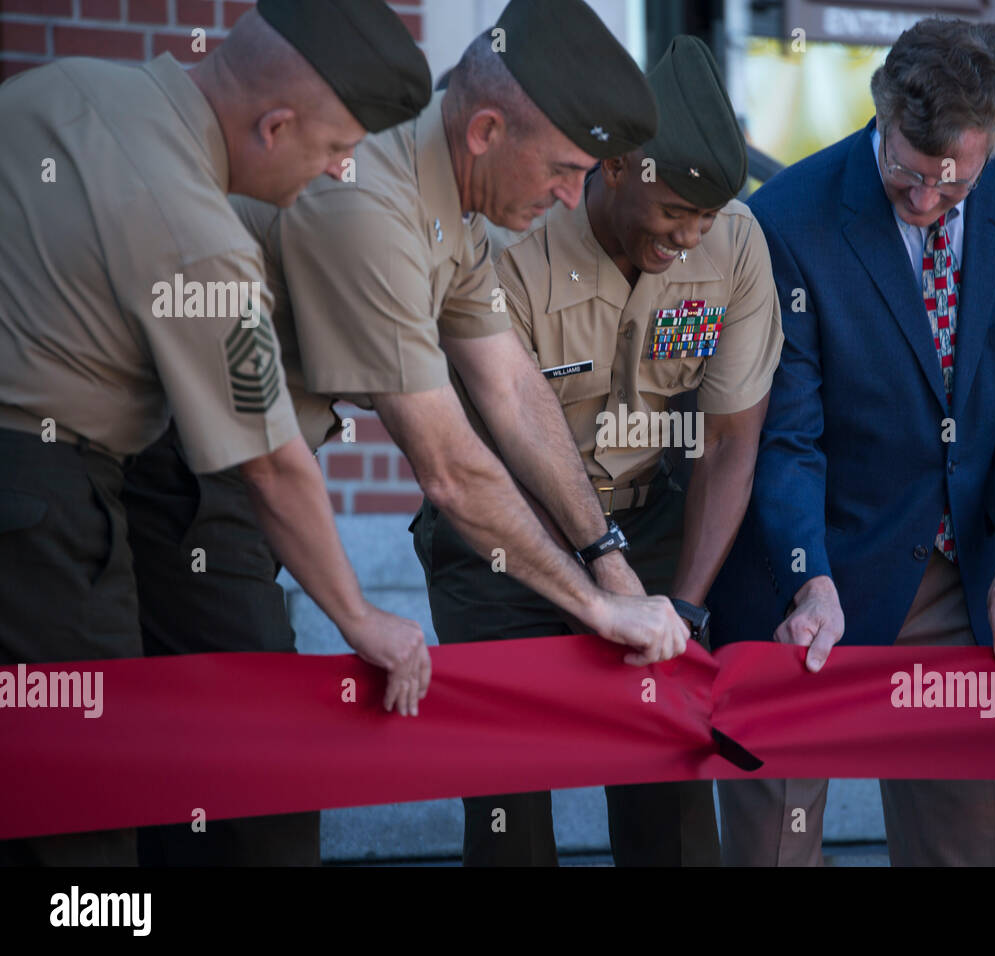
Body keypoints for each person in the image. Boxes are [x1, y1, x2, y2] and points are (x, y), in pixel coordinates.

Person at [124, 0, 690, 863]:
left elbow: (510, 387)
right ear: (487, 129)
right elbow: (451, 469)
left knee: (204, 774)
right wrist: (590, 606)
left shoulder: (461, 204)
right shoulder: (371, 203)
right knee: (246, 793)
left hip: (241, 470)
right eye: (567, 170)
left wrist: (607, 558)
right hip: (184, 470)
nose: (574, 198)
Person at [0, 0, 434, 867]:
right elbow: (274, 464)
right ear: (273, 126)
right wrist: (359, 617)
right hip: (39, 507)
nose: (342, 169)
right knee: (78, 815)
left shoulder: (52, 91)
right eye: (335, 147)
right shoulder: (202, 240)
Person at [708, 18, 995, 866]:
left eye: (950, 189)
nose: (922, 204)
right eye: (905, 175)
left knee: (969, 847)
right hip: (805, 572)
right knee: (774, 848)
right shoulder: (787, 222)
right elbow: (787, 434)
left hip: (958, 571)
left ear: (991, 151)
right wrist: (809, 580)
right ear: (880, 114)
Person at [417, 34, 783, 866]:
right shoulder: (508, 246)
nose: (689, 237)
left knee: (671, 795)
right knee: (510, 801)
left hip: (648, 526)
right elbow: (494, 426)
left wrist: (684, 607)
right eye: (674, 212)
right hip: (503, 539)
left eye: (707, 217)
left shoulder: (737, 246)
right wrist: (599, 570)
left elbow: (729, 438)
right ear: (613, 169)